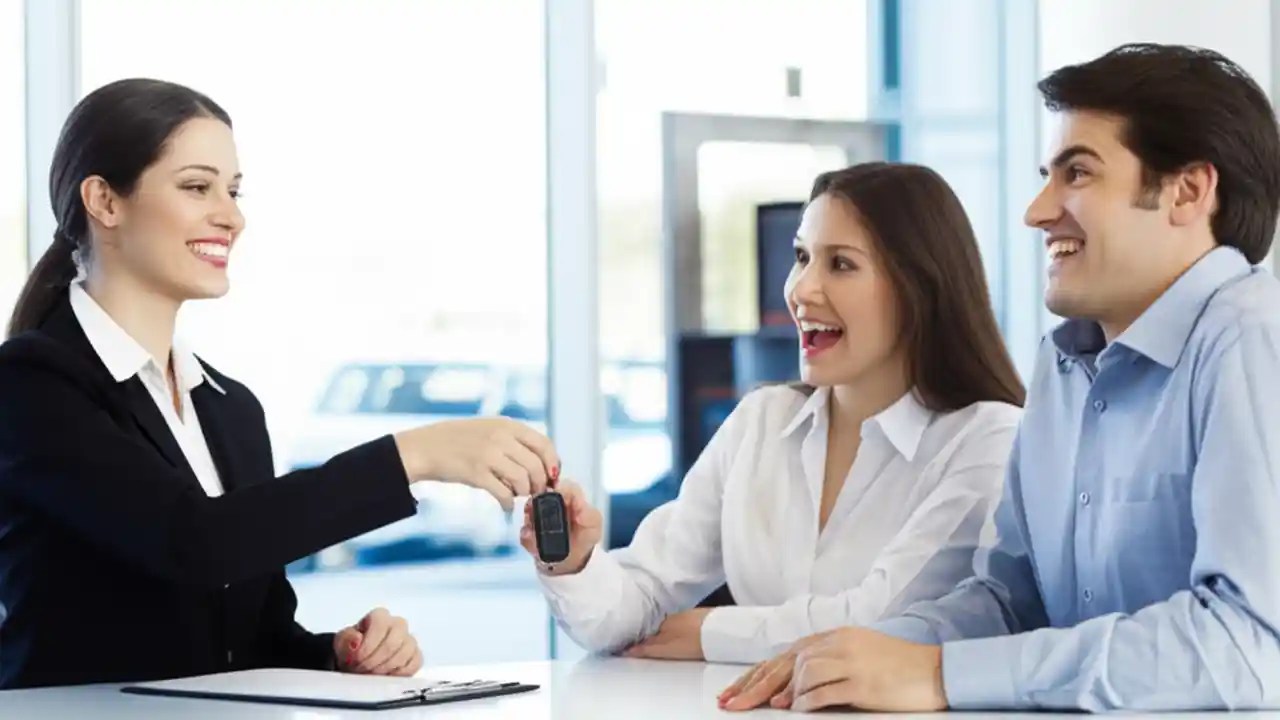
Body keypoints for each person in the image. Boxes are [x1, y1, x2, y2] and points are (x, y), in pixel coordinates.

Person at [722, 43, 1280, 713]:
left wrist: (938, 676)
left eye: (1077, 173)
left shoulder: (1252, 339)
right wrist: (856, 653)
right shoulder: (1064, 364)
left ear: (1187, 191)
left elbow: (1248, 644)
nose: (1038, 211)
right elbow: (1013, 599)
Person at [0, 78, 560, 689]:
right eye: (197, 187)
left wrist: (336, 654)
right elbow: (192, 542)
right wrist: (416, 455)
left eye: (233, 190)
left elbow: (256, 636)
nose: (231, 216)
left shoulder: (230, 409)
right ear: (105, 202)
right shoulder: (30, 383)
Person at [518, 162, 1026, 665]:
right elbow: (636, 604)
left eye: (840, 264)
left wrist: (708, 632)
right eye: (802, 257)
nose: (801, 289)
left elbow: (883, 620)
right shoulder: (762, 421)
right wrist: (575, 562)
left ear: (920, 287)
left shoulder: (986, 439)